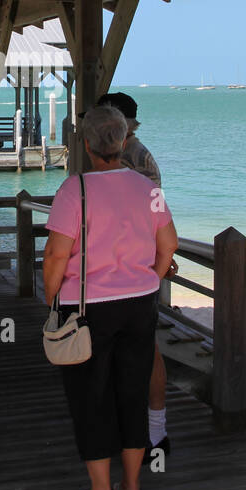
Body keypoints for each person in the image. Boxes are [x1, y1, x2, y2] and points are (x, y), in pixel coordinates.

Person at [44, 105, 177, 490]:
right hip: (138, 305)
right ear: (122, 141)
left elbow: (55, 256)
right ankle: (132, 488)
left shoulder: (74, 191)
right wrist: (149, 278)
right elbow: (168, 244)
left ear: (86, 144)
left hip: (87, 309)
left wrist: (52, 301)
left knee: (91, 399)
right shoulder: (148, 189)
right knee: (132, 394)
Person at [97, 91, 172, 463]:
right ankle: (150, 433)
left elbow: (151, 225)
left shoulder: (129, 159)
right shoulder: (138, 156)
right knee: (141, 351)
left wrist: (154, 273)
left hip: (126, 275)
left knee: (139, 353)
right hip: (137, 274)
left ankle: (149, 434)